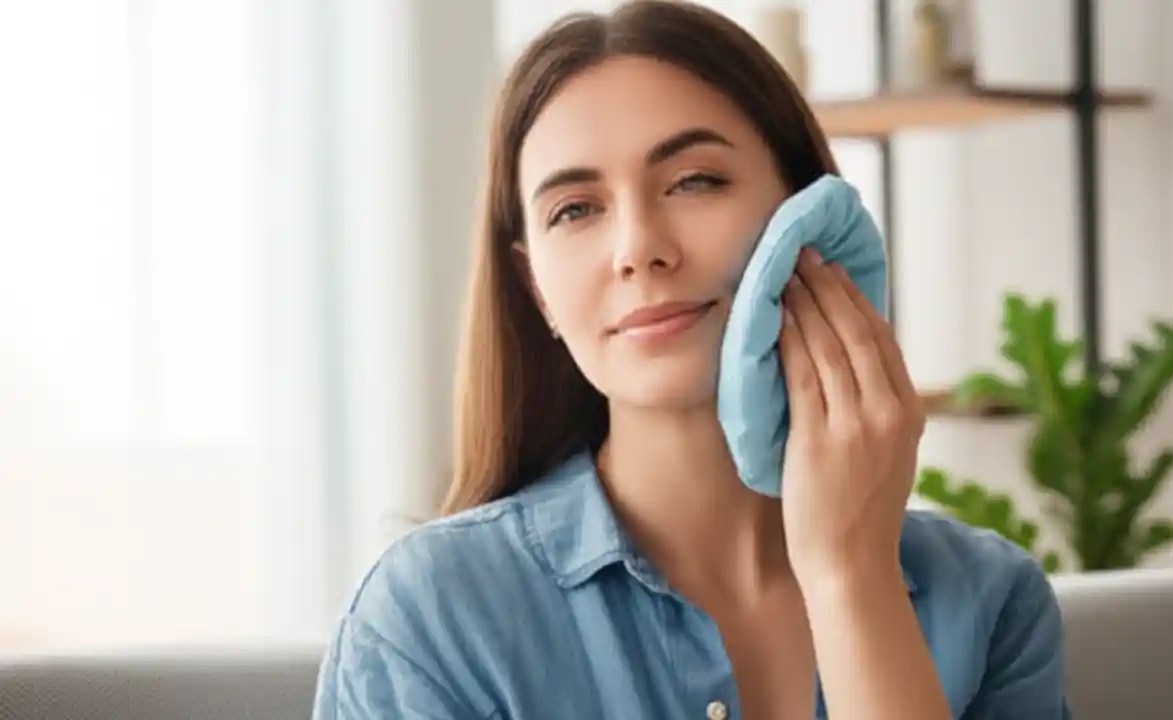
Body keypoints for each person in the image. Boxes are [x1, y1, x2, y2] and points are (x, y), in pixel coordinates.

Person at [312, 2, 1071, 718]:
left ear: (809, 220)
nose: (638, 247)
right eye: (575, 210)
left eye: (694, 181)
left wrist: (851, 577)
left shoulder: (990, 603)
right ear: (534, 286)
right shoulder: (431, 620)